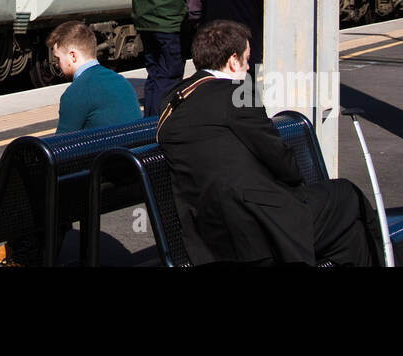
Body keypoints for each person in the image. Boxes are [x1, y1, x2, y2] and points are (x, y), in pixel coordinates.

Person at [156, 19, 383, 266]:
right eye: (247, 58)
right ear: (233, 61)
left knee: (350, 236)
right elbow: (283, 162)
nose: (249, 66)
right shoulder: (238, 93)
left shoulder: (174, 98)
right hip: (256, 230)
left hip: (206, 237)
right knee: (348, 196)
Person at [47, 21, 142, 133]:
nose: (57, 65)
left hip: (104, 150)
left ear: (73, 56)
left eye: (58, 58)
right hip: (134, 149)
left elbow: (61, 145)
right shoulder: (121, 81)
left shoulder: (75, 93)